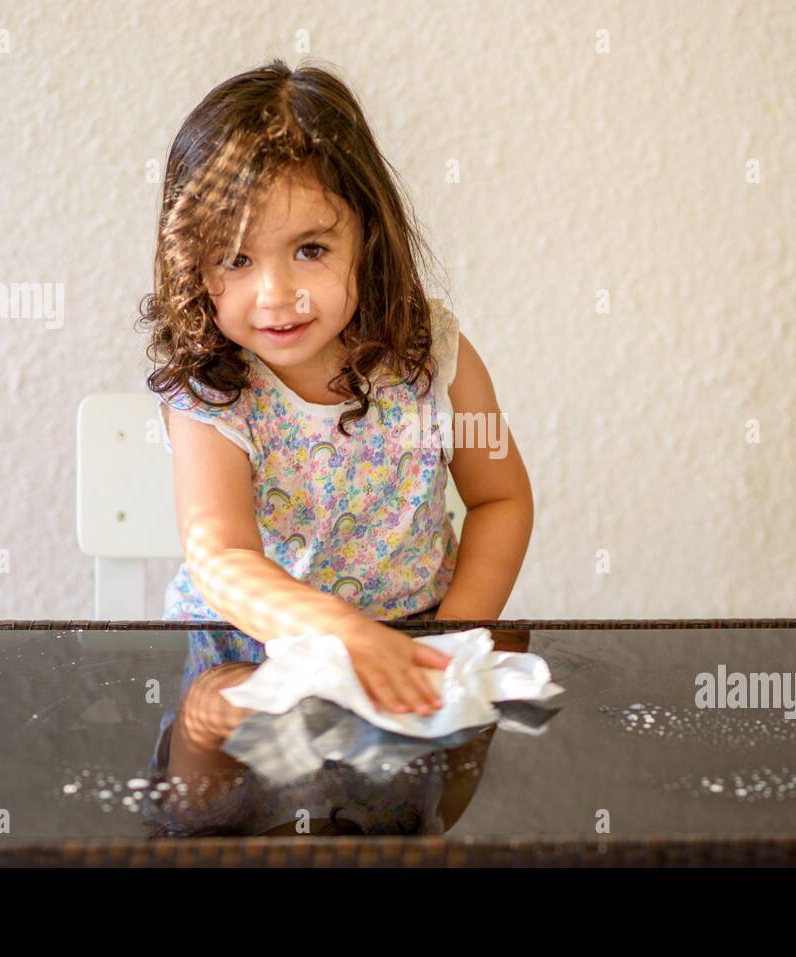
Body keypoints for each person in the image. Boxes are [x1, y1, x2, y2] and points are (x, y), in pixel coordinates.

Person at [136, 57, 534, 722]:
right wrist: (334, 631)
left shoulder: (435, 356)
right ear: (194, 268)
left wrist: (449, 643)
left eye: (310, 250)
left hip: (410, 632)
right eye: (236, 259)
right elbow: (221, 553)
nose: (276, 294)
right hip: (243, 650)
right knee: (209, 767)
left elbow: (501, 499)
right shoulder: (211, 391)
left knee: (430, 802)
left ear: (367, 238)